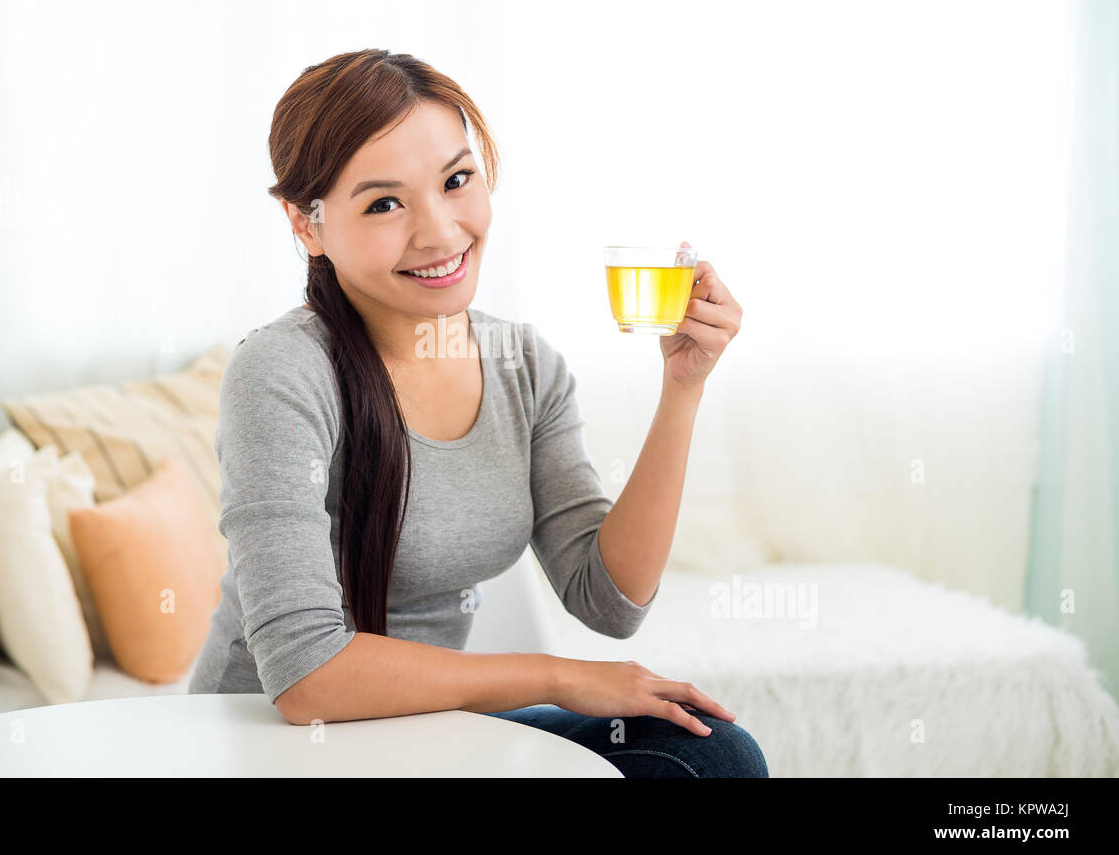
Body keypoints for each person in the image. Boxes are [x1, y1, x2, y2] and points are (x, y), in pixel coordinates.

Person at [188, 48, 764, 778]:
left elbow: (610, 601)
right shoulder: (281, 372)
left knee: (707, 759)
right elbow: (308, 680)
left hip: (428, 736)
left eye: (456, 181)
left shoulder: (523, 364)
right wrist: (558, 676)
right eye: (384, 203)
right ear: (306, 224)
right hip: (273, 744)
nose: (439, 233)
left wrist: (683, 387)